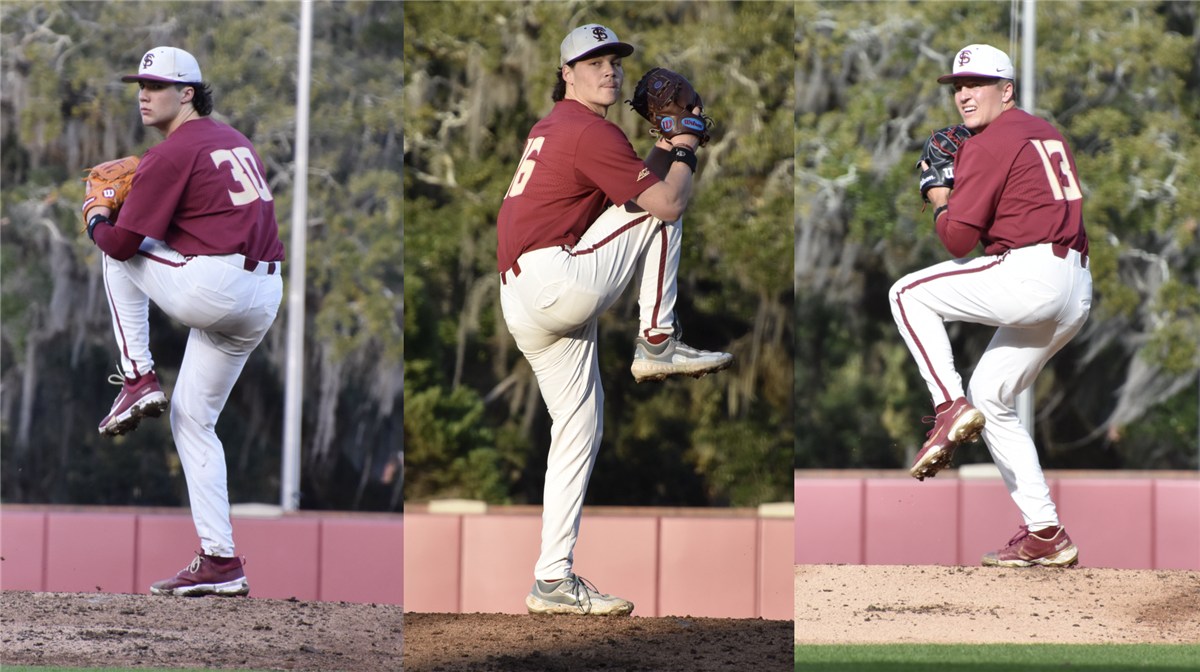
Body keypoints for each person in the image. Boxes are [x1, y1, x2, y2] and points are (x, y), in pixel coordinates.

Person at [496, 24, 732, 615]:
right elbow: (665, 202)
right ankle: (657, 338)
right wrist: (684, 144)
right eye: (592, 62)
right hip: (557, 279)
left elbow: (629, 192)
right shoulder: (587, 128)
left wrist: (668, 149)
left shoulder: (558, 128)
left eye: (614, 62)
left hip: (525, 298)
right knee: (665, 214)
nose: (608, 71)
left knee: (577, 432)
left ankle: (552, 580)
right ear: (566, 74)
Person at [85, 46, 285, 595]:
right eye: (140, 85)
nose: (143, 94)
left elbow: (124, 242)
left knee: (115, 253)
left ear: (188, 93)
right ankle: (220, 561)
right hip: (262, 294)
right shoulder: (235, 140)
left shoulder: (173, 152)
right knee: (193, 421)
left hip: (216, 286)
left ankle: (137, 377)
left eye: (156, 85)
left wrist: (98, 218)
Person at [888, 44, 1091, 567]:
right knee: (993, 396)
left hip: (1032, 275)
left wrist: (937, 191)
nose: (964, 95)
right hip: (1074, 286)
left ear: (1007, 90)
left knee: (906, 293)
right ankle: (1045, 531)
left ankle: (946, 405)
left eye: (977, 84)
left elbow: (957, 240)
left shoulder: (987, 143)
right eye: (958, 86)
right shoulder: (1044, 131)